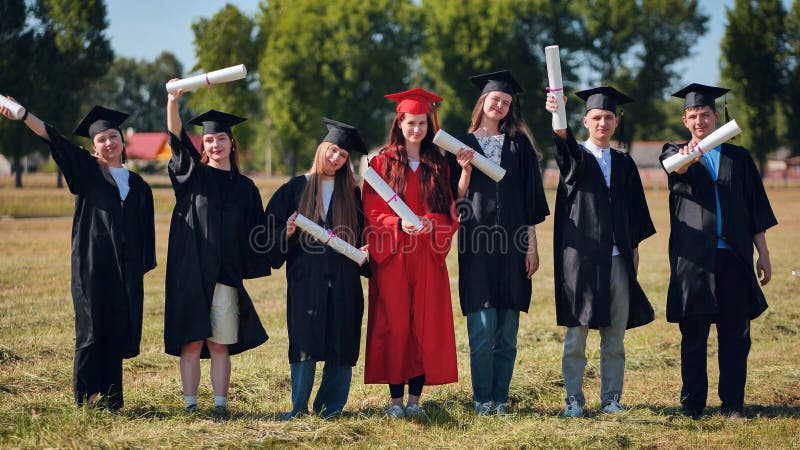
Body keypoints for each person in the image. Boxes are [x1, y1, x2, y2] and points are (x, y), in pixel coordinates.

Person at [0, 101, 156, 411]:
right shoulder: (86, 171)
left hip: (125, 272)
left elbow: (145, 234)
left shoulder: (139, 185)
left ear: (122, 140)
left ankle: (112, 401)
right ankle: (86, 399)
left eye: (113, 136)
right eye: (102, 139)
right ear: (95, 145)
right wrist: (24, 115)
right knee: (91, 330)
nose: (109, 142)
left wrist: (137, 270)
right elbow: (52, 137)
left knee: (115, 331)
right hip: (91, 266)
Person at [660, 83, 777, 420]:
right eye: (693, 115)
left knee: (735, 335)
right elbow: (677, 169)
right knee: (694, 335)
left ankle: (732, 404)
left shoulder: (739, 158)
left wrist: (763, 254)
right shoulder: (674, 152)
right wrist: (692, 151)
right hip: (693, 260)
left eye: (705, 115)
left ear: (716, 116)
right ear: (685, 119)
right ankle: (692, 405)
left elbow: (756, 208)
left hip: (734, 258)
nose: (700, 121)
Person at [545, 87, 656, 417]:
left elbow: (635, 212)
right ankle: (573, 399)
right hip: (581, 260)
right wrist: (557, 114)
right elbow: (562, 142)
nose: (603, 123)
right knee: (576, 333)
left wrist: (632, 251)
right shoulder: (576, 158)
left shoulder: (624, 163)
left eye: (609, 117)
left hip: (617, 258)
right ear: (585, 121)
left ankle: (611, 398)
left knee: (615, 335)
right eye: (597, 117)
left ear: (616, 120)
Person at [447, 70, 550, 416]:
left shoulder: (520, 146)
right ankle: (482, 400)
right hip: (477, 245)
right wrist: (464, 170)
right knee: (482, 330)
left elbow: (531, 199)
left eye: (506, 102)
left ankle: (501, 399)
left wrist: (532, 246)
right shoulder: (462, 145)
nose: (501, 105)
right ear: (483, 101)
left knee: (507, 331)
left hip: (514, 244)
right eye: (496, 99)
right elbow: (454, 201)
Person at [165, 85, 269, 419]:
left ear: (231, 143)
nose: (215, 144)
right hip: (192, 272)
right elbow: (176, 139)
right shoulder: (192, 176)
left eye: (221, 139)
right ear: (203, 144)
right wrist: (172, 101)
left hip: (225, 273)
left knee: (220, 342)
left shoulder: (245, 187)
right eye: (209, 140)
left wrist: (287, 231)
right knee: (192, 342)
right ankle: (191, 404)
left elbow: (258, 231)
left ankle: (221, 405)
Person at [264, 118, 370, 420]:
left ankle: (331, 408)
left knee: (341, 338)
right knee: (305, 341)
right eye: (333, 150)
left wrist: (365, 249)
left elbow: (364, 234)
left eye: (343, 155)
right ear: (322, 148)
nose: (336, 158)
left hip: (344, 279)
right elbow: (268, 231)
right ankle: (298, 407)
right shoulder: (294, 188)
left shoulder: (352, 192)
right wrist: (285, 233)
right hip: (305, 279)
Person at [362, 88, 458, 418]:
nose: (416, 129)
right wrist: (397, 225)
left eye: (422, 123)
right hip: (393, 255)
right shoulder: (381, 162)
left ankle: (415, 400)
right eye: (410, 122)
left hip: (427, 255)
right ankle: (394, 401)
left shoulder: (439, 164)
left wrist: (432, 223)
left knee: (424, 325)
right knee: (396, 324)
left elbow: (448, 210)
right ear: (399, 122)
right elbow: (371, 211)